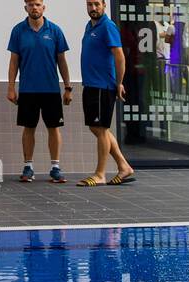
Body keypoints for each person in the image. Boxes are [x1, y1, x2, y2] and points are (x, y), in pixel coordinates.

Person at [6, 0, 73, 184]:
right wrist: (11, 87)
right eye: (31, 4)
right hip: (28, 90)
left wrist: (67, 87)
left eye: (37, 4)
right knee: (29, 128)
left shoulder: (55, 31)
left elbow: (62, 61)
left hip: (51, 90)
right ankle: (28, 167)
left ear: (44, 7)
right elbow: (13, 62)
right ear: (25, 7)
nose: (34, 8)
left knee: (54, 128)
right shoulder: (18, 31)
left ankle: (55, 168)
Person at [76, 0, 135, 186]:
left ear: (104, 5)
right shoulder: (90, 25)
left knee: (100, 129)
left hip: (103, 86)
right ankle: (123, 166)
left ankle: (100, 174)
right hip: (91, 85)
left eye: (97, 4)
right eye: (90, 4)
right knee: (97, 127)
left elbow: (119, 56)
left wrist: (119, 83)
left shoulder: (107, 26)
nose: (93, 8)